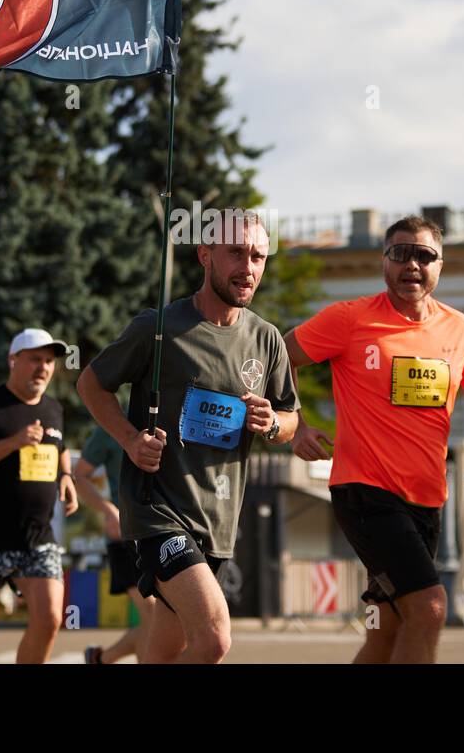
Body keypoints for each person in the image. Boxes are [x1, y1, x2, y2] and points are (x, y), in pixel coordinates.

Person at [77, 209, 299, 664]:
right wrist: (129, 439)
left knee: (164, 650)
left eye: (258, 256)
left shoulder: (267, 339)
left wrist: (272, 423)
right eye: (235, 252)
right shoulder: (157, 328)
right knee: (215, 637)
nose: (248, 266)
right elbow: (91, 384)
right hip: (157, 511)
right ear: (205, 255)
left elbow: (290, 417)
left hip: (217, 520)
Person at [285, 214, 464, 663]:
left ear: (440, 266)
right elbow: (279, 356)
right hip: (366, 493)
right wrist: (296, 423)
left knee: (386, 630)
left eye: (424, 255)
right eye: (400, 253)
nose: (412, 265)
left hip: (427, 499)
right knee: (429, 609)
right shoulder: (349, 319)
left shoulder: (460, 329)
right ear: (384, 262)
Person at [0, 328, 79, 664]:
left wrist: (66, 476)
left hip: (37, 538)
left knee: (50, 618)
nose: (44, 368)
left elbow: (59, 446)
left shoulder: (54, 409)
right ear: (13, 361)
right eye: (35, 359)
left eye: (49, 361)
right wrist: (13, 443)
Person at [75, 425, 154, 664]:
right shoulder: (113, 424)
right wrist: (109, 511)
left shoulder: (175, 416)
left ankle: (100, 659)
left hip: (166, 533)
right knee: (152, 615)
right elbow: (79, 475)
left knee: (164, 619)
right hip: (125, 535)